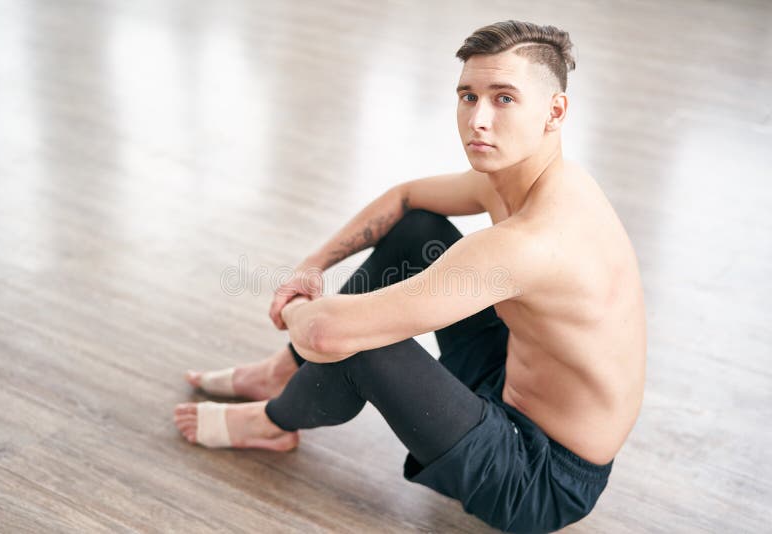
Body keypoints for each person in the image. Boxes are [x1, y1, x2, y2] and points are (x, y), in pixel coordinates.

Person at [173, 20, 646, 533]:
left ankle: (271, 422)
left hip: (539, 475)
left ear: (555, 112)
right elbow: (406, 198)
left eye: (504, 99)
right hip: (508, 379)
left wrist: (298, 310)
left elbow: (329, 331)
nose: (478, 120)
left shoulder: (533, 240)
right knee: (417, 231)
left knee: (363, 340)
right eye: (468, 96)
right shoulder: (528, 179)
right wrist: (310, 269)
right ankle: (280, 371)